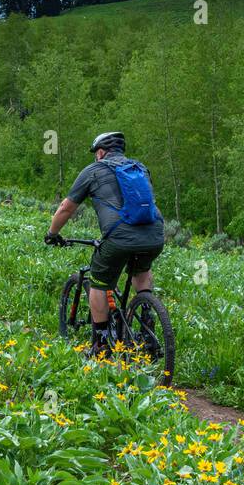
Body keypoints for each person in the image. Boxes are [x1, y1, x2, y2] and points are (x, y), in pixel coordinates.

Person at [45, 131, 164, 356]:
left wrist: (52, 233)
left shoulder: (93, 171)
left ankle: (101, 345)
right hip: (155, 235)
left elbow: (66, 208)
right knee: (142, 270)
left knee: (99, 283)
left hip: (119, 237)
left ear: (100, 152)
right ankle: (147, 328)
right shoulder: (140, 169)